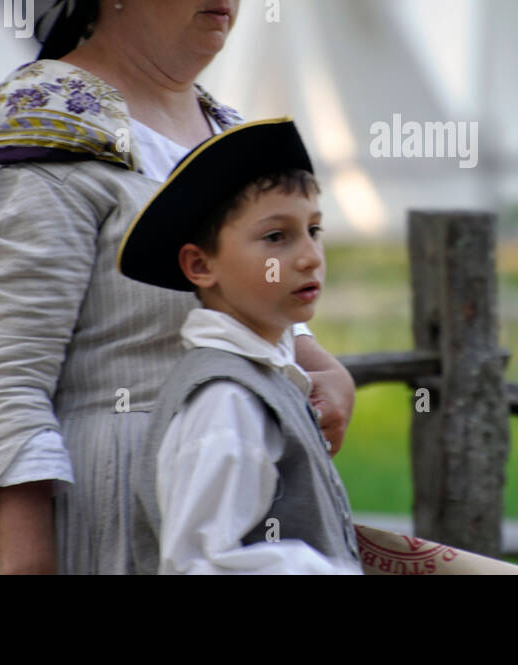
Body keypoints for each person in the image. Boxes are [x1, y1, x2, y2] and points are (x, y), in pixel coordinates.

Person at [0, 0, 357, 574]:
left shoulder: (222, 127)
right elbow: (6, 389)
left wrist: (318, 365)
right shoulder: (44, 132)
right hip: (116, 529)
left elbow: (228, 305)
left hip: (250, 515)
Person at [119, 117, 361, 574]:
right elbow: (199, 564)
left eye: (314, 230)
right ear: (200, 264)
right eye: (276, 237)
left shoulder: (262, 379)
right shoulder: (226, 401)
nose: (310, 257)